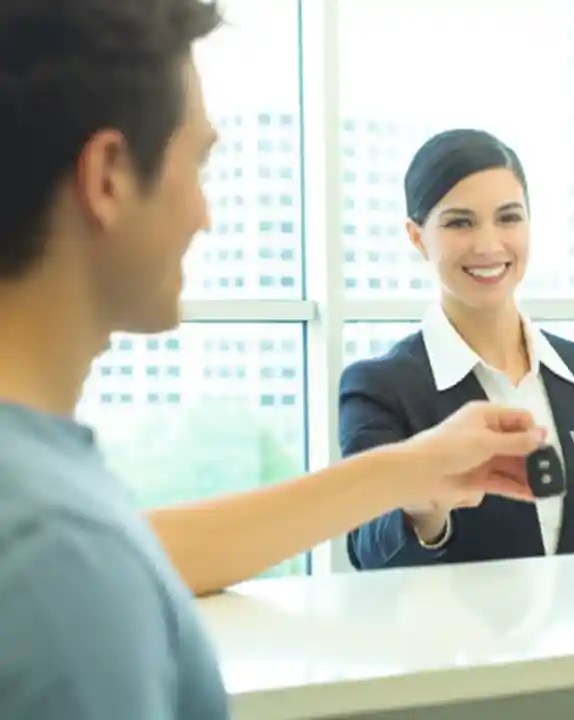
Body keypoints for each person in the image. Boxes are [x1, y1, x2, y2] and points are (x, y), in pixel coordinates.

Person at [0, 2, 546, 718]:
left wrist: (413, 466)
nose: (206, 213)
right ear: (106, 176)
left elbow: (146, 547)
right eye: (196, 163)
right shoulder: (52, 551)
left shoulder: (51, 510)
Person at [339, 128, 574, 569]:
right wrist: (426, 510)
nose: (488, 245)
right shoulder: (381, 388)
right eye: (460, 222)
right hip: (454, 640)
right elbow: (368, 550)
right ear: (416, 237)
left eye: (508, 218)